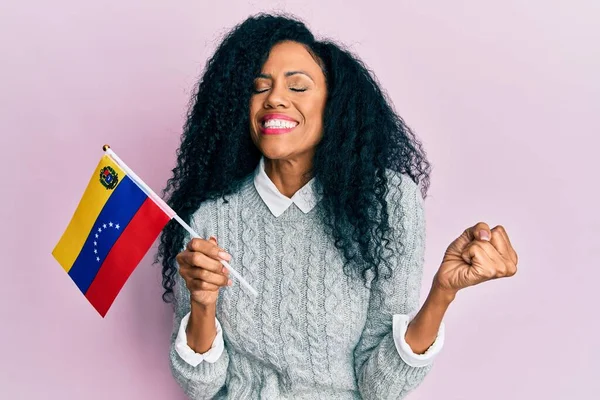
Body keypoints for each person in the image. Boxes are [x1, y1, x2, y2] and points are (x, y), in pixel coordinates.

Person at [155, 13, 518, 400]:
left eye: (297, 87)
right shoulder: (208, 214)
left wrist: (443, 292)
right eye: (258, 88)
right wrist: (203, 302)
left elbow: (381, 387)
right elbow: (201, 384)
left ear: (335, 105)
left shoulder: (387, 202)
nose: (274, 98)